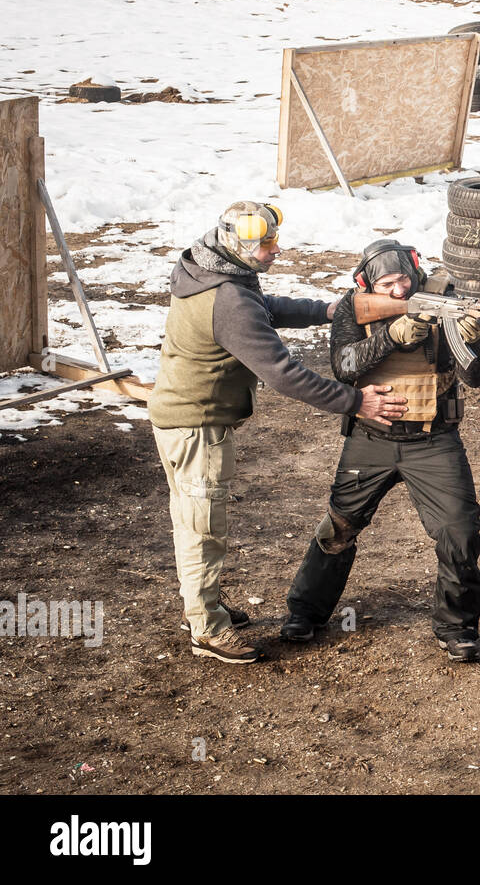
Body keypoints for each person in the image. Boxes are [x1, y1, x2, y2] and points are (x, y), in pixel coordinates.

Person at [149, 202, 406, 664]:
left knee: (192, 520)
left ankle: (201, 607)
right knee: (203, 530)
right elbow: (284, 374)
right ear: (241, 246)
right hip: (197, 427)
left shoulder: (210, 269)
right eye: (266, 244)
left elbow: (264, 308)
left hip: (181, 418)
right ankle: (206, 629)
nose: (275, 250)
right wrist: (356, 401)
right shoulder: (226, 298)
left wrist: (328, 310)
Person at [281, 240, 480, 662]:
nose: (398, 292)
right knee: (339, 526)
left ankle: (457, 627)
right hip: (370, 438)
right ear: (367, 284)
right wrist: (391, 337)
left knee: (460, 532)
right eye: (387, 284)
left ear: (417, 273)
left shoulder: (445, 299)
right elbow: (343, 366)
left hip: (434, 438)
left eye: (404, 281)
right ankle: (305, 612)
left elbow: (477, 376)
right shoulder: (352, 307)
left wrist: (472, 340)